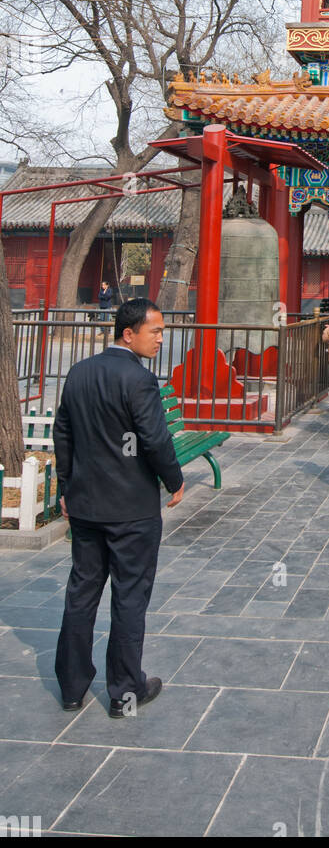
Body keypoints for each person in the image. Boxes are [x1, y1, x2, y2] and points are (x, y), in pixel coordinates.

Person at [54, 298, 185, 718]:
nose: (161, 339)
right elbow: (153, 438)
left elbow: (64, 434)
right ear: (128, 333)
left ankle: (72, 688)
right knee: (129, 596)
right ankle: (124, 691)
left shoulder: (79, 373)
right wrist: (174, 478)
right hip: (131, 509)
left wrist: (64, 485)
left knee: (82, 592)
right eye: (156, 332)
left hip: (86, 504)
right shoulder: (139, 379)